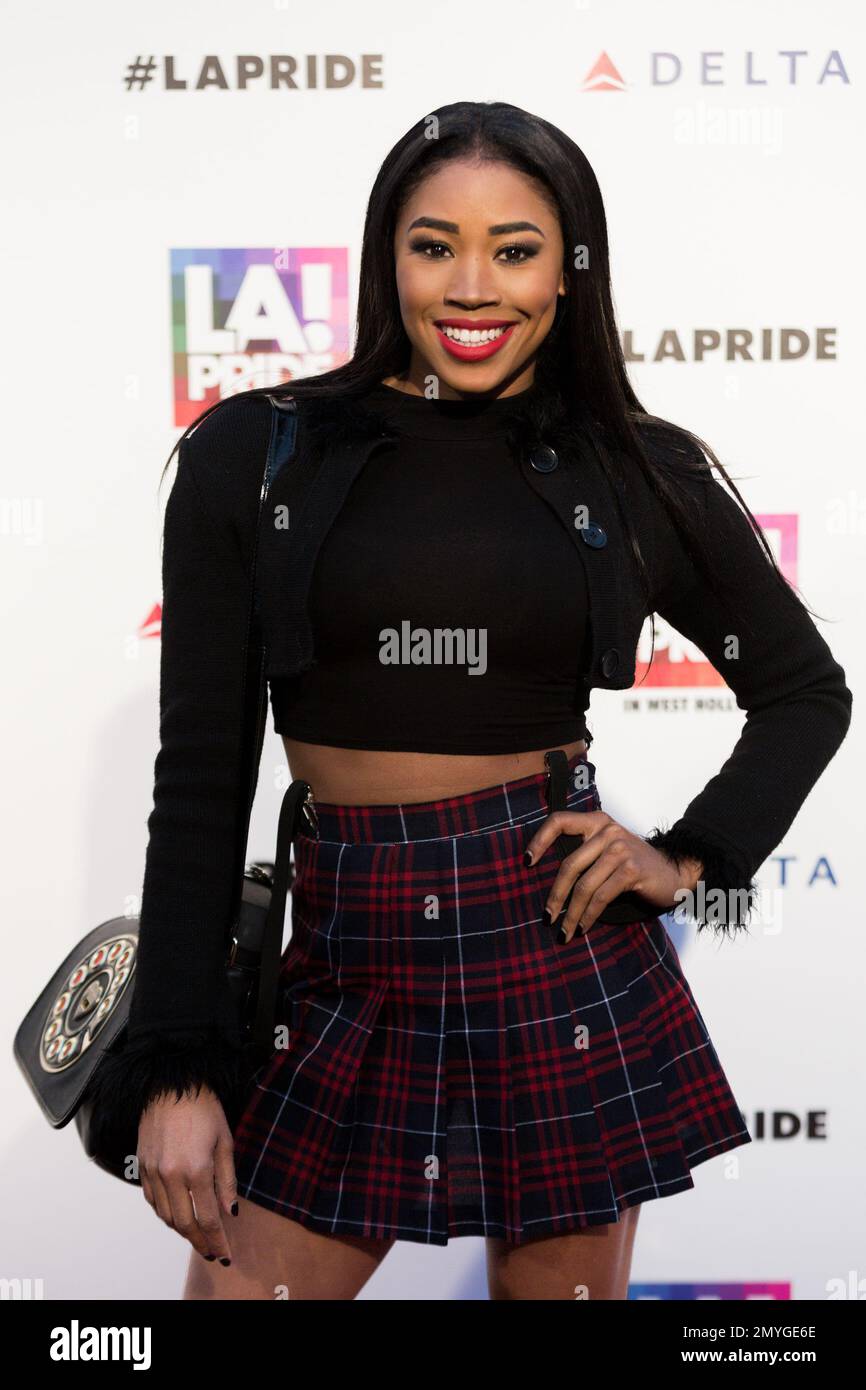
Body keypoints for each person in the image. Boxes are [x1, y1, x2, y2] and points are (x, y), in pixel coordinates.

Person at [90, 101, 852, 1301]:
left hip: (553, 950)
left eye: (515, 248)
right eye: (434, 243)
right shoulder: (258, 453)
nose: (471, 285)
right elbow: (199, 783)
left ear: (569, 271)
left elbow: (803, 690)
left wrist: (691, 856)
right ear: (387, 255)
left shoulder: (632, 467)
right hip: (346, 957)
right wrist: (173, 1061)